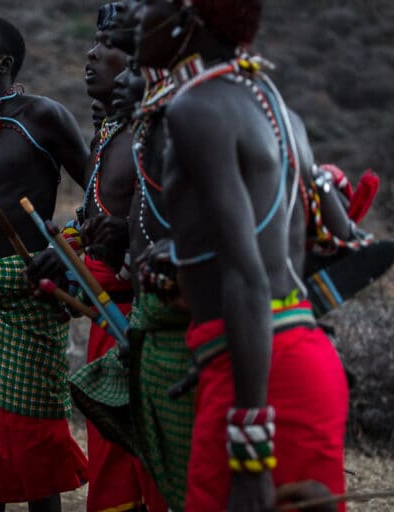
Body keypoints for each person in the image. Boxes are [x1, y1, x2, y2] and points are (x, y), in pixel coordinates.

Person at [136, 1, 348, 511]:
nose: (142, 15)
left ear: (187, 19)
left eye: (154, 5)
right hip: (294, 355)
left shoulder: (196, 108)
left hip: (259, 379)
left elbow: (246, 273)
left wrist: (251, 447)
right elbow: (306, 250)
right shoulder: (280, 109)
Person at [0, 13, 90, 512]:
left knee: (35, 453)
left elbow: (100, 194)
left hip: (27, 297)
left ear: (2, 63)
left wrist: (64, 248)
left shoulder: (43, 117)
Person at [30, 5, 165, 512]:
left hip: (145, 325)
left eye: (109, 44)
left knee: (152, 466)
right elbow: (94, 223)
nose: (92, 53)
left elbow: (170, 232)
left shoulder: (159, 136)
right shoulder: (110, 133)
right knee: (113, 463)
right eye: (96, 41)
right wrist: (64, 253)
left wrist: (124, 237)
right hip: (109, 324)